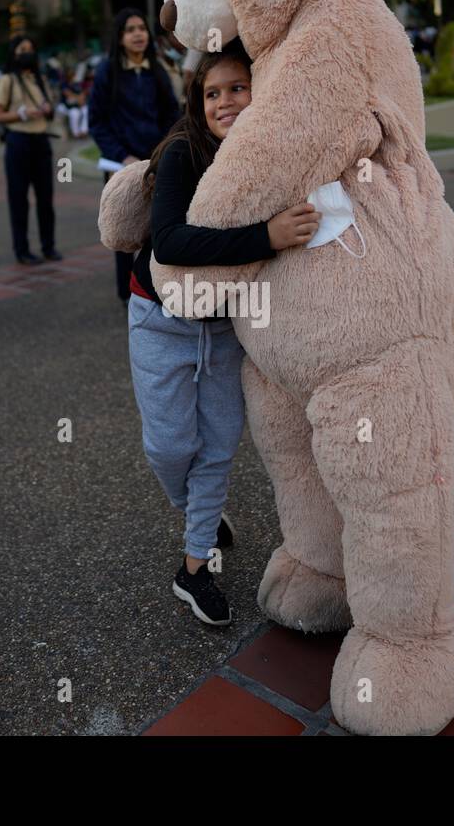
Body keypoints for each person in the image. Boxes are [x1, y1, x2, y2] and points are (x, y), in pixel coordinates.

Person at [128, 41, 319, 625]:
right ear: (198, 101)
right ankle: (202, 517)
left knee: (216, 448)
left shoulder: (273, 158)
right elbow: (171, 243)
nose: (226, 102)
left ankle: (193, 567)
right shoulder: (185, 151)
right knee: (169, 448)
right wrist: (268, 236)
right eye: (213, 93)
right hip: (160, 320)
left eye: (238, 88)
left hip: (228, 326)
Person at [89, 8, 180, 304]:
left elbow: (171, 115)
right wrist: (121, 155)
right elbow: (97, 122)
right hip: (121, 165)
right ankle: (126, 294)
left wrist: (164, 151)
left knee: (158, 226)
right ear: (119, 38)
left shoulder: (157, 70)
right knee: (123, 228)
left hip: (156, 162)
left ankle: (153, 288)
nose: (138, 34)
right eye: (130, 29)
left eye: (142, 28)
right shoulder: (107, 72)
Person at [0, 35, 59, 265]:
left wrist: (48, 109)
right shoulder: (7, 80)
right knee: (18, 198)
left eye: (31, 48)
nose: (27, 53)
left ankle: (48, 246)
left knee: (45, 198)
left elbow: (51, 111)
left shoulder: (40, 80)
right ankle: (22, 250)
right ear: (13, 53)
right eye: (22, 49)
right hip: (18, 141)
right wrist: (20, 114)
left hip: (41, 141)